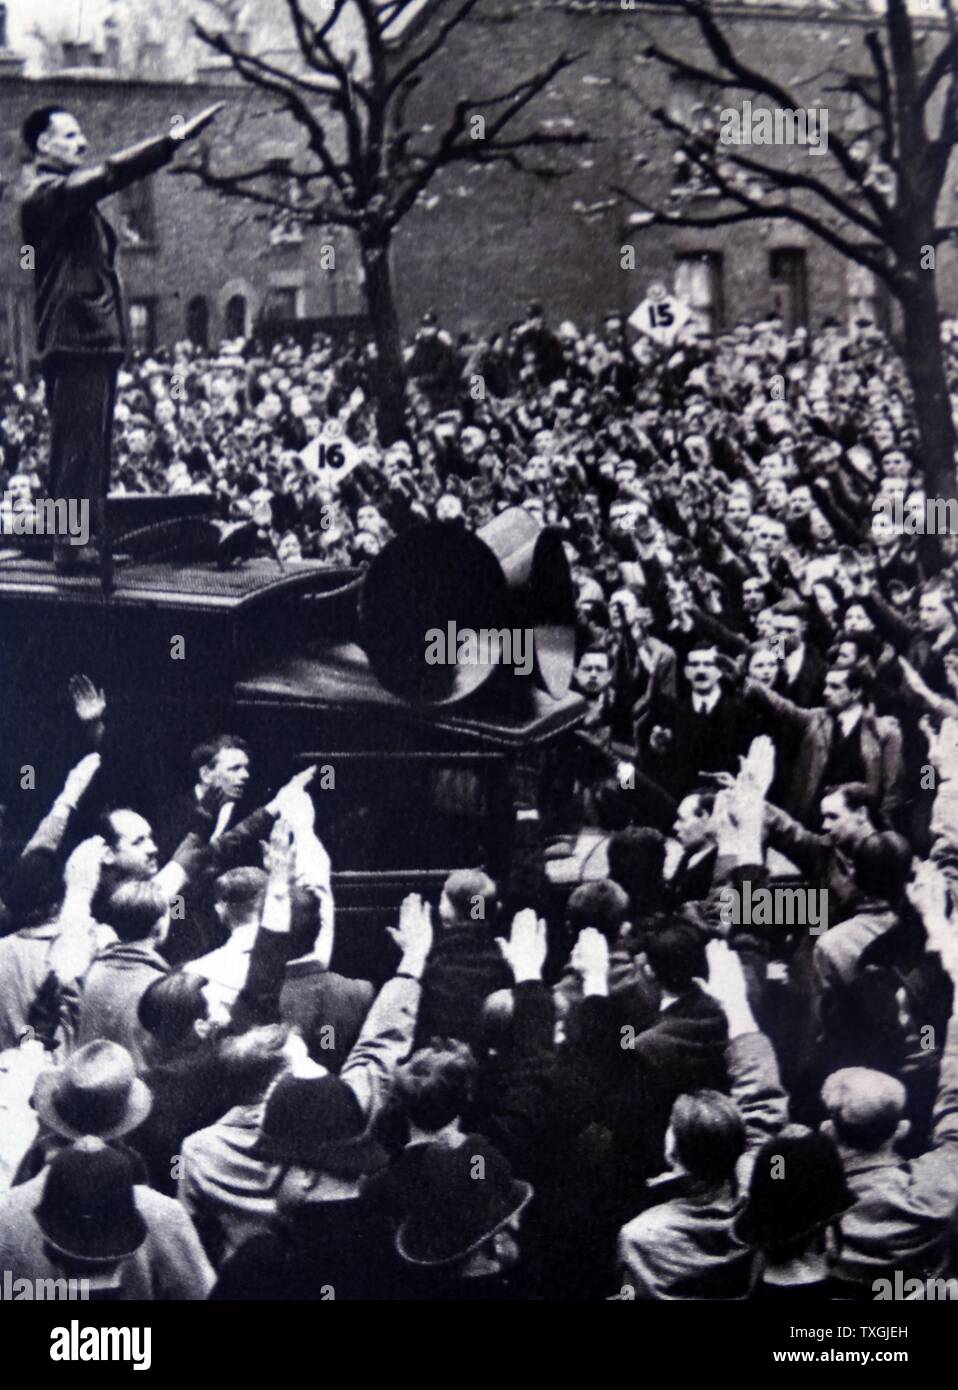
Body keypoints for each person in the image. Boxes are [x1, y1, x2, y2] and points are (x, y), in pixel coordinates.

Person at [18, 101, 223, 573]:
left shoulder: (64, 198)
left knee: (90, 446)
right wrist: (171, 141)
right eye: (70, 136)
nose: (83, 143)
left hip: (90, 338)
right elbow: (111, 172)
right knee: (76, 447)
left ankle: (79, 540)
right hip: (75, 339)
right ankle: (70, 546)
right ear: (43, 144)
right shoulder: (44, 195)